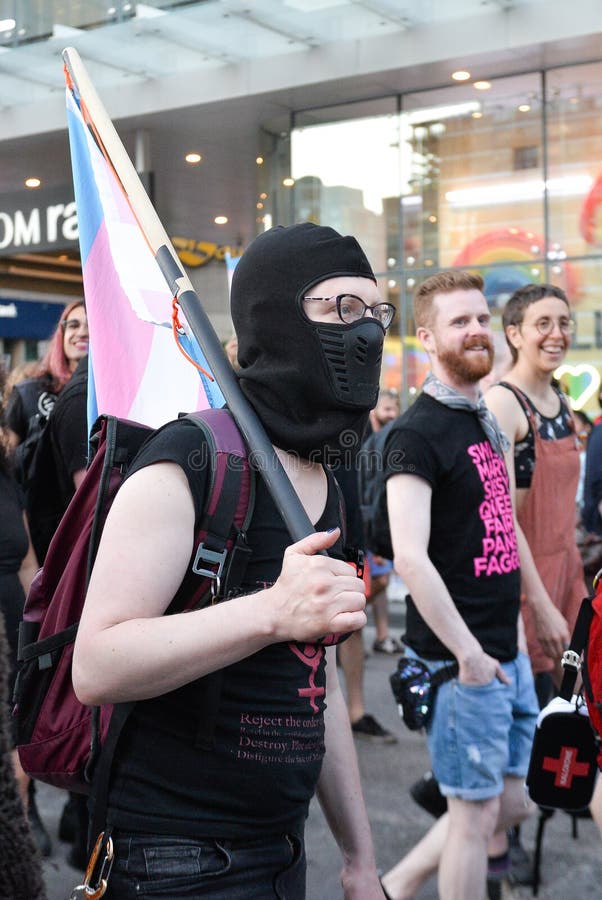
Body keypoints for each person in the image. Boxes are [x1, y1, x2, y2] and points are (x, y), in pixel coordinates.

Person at [72, 222, 391, 899]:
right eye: (341, 308)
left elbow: (321, 682)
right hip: (174, 859)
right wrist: (272, 611)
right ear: (276, 316)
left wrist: (360, 860)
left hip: (282, 849)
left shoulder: (327, 477)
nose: (367, 330)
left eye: (376, 311)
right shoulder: (188, 460)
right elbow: (96, 665)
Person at [380, 271, 563, 900]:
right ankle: (401, 883)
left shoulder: (484, 419)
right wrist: (469, 655)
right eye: (459, 322)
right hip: (462, 664)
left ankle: (398, 882)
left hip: (505, 650)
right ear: (428, 338)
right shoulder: (416, 433)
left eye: (482, 318)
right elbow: (410, 558)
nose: (477, 330)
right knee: (474, 818)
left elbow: (503, 524)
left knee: (518, 797)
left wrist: (535, 608)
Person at [485, 284, 580, 704]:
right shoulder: (504, 403)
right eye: (543, 323)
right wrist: (539, 604)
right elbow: (502, 515)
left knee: (579, 706)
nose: (556, 334)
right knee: (541, 715)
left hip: (568, 575)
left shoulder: (561, 401)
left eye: (563, 323)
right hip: (527, 588)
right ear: (514, 334)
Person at [4, 302, 89, 475]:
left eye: (91, 326)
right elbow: (6, 458)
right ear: (62, 334)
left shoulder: (113, 397)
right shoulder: (28, 392)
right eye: (73, 325)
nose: (82, 333)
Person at [363, 388, 401, 654]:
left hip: (381, 520)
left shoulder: (390, 437)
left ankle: (382, 635)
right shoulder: (363, 437)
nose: (392, 414)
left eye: (395, 409)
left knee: (382, 582)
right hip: (367, 523)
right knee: (380, 580)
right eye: (387, 409)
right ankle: (343, 626)